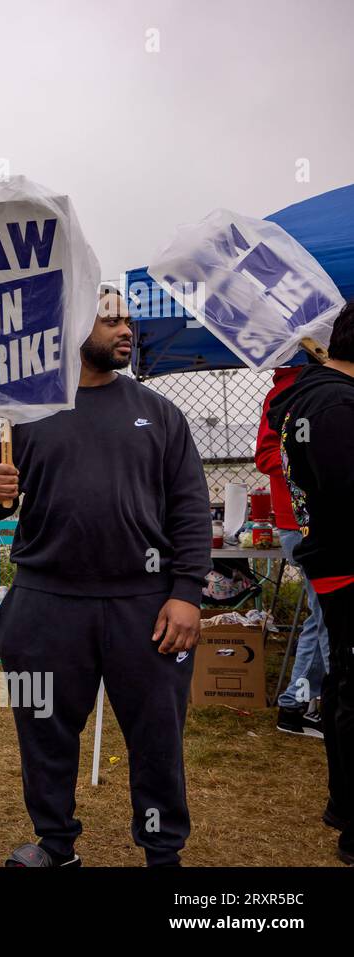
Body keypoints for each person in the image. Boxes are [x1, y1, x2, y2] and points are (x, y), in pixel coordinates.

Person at [0, 288, 211, 867]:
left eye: (128, 320)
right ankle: (56, 845)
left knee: (156, 739)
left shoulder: (159, 414)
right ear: (76, 325)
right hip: (47, 601)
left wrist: (186, 594)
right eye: (111, 320)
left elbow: (190, 508)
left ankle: (162, 852)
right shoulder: (27, 412)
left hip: (144, 605)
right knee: (46, 735)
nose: (126, 329)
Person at [268, 299, 354, 866]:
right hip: (344, 558)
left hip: (330, 557)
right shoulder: (335, 404)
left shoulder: (314, 396)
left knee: (344, 674)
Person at [256, 363, 329, 737]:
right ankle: (298, 706)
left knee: (325, 613)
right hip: (300, 522)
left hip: (320, 519)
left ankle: (300, 704)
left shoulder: (330, 388)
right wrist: (310, 461)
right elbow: (266, 455)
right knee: (328, 613)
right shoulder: (285, 394)